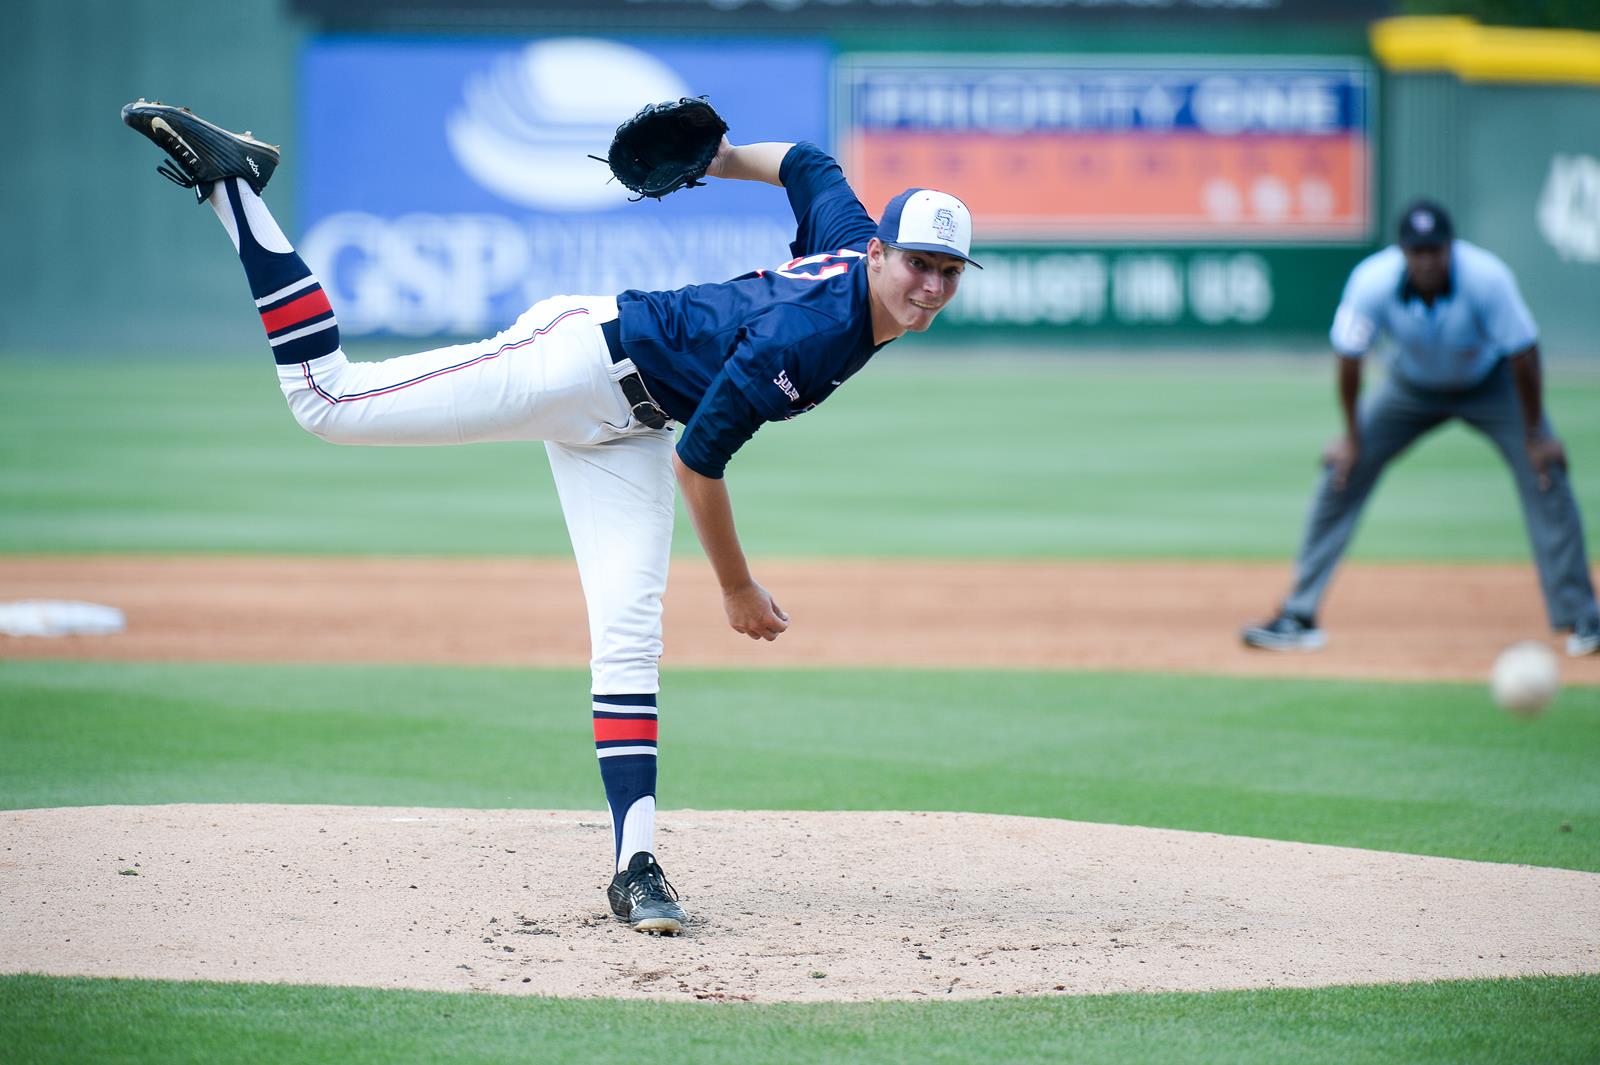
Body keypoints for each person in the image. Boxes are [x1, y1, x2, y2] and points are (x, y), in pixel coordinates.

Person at [121, 100, 979, 935]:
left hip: (628, 426)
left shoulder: (848, 250)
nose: (931, 285)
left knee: (629, 632)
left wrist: (717, 161)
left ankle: (635, 865)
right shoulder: (809, 332)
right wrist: (737, 587)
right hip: (577, 362)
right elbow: (699, 463)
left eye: (947, 270)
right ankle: (235, 189)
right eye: (917, 263)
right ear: (877, 251)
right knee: (326, 399)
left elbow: (806, 164)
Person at [1243, 200, 1600, 657]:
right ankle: (1298, 615)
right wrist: (1351, 438)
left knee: (1547, 472)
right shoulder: (1372, 282)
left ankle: (1582, 616)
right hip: (1409, 387)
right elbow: (1349, 359)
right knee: (1340, 474)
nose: (1426, 260)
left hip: (1491, 384)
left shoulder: (1486, 278)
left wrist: (1536, 435)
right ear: (1403, 252)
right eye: (1417, 251)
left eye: (1434, 249)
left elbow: (1523, 353)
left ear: (1450, 248)